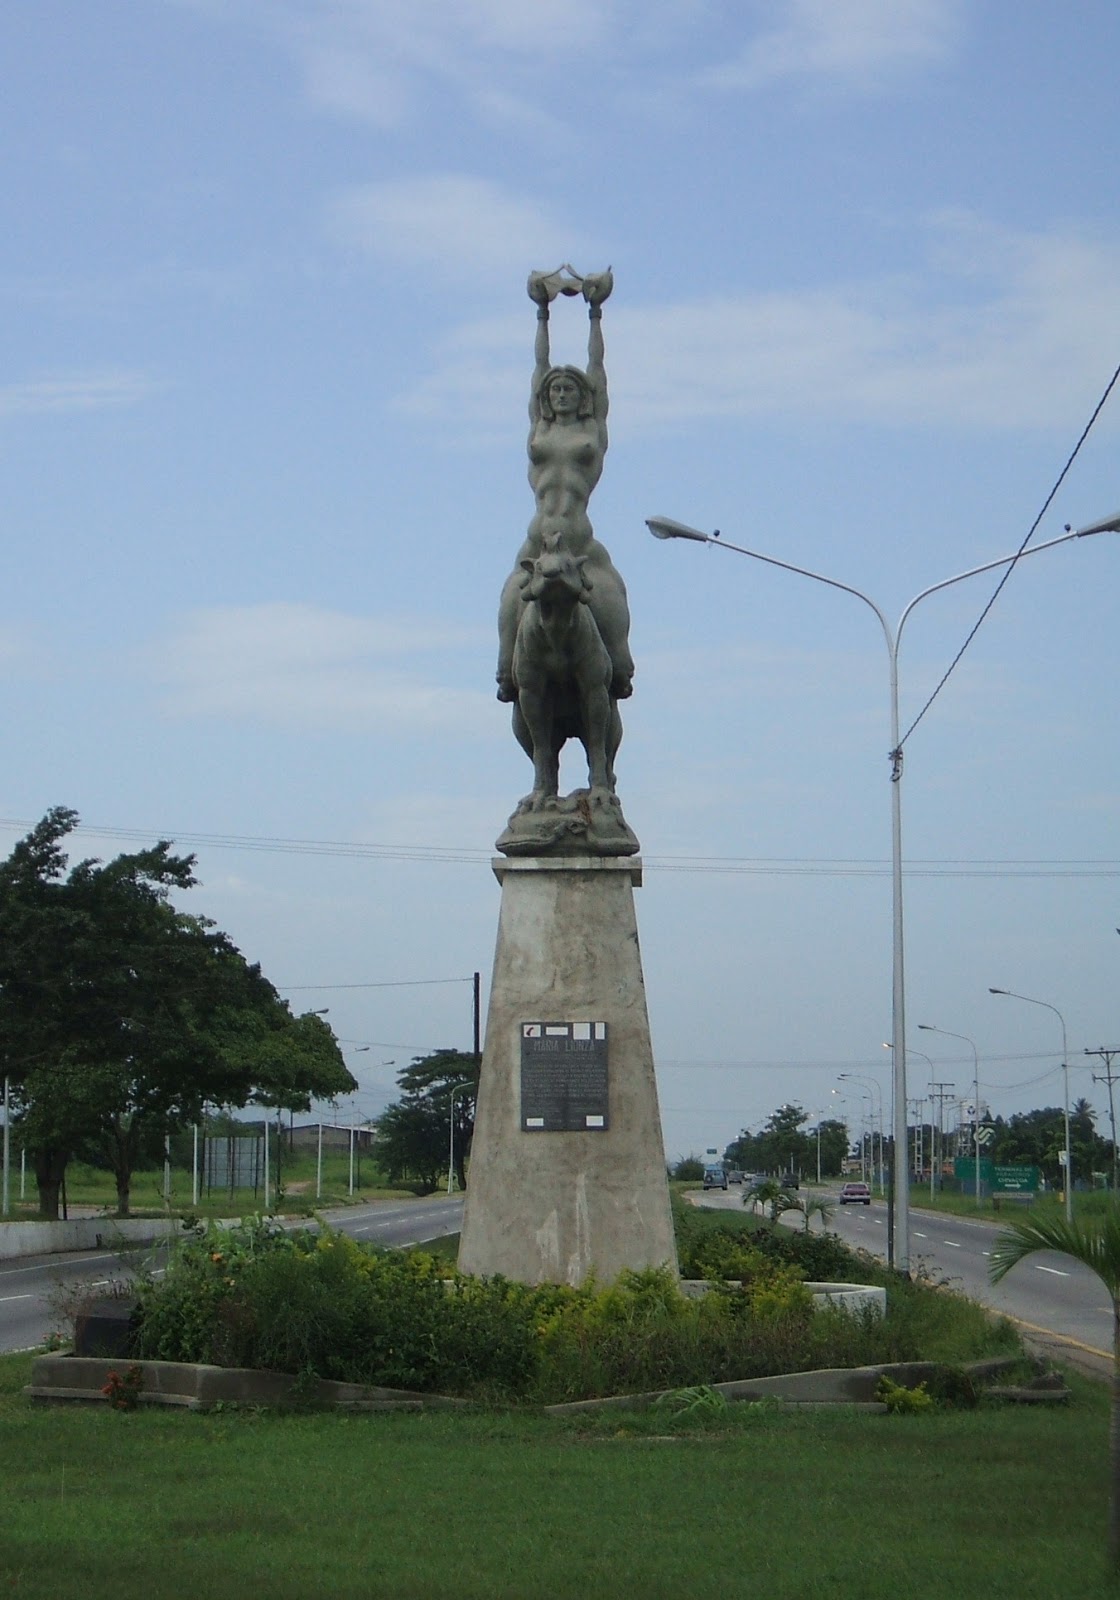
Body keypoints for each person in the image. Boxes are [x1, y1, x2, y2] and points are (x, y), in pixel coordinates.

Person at [496, 269, 634, 704]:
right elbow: (539, 367)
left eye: (568, 389)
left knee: (611, 603)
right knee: (508, 605)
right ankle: (505, 672)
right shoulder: (539, 428)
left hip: (579, 540)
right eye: (554, 389)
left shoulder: (592, 430)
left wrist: (595, 314)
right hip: (538, 539)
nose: (559, 394)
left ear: (582, 396)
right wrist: (543, 314)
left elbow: (598, 371)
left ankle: (621, 667)